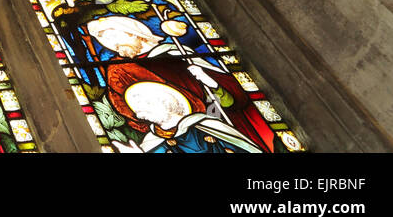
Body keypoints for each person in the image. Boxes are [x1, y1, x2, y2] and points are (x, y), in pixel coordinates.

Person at [86, 15, 275, 151]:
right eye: (104, 41)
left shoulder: (177, 52)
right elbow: (125, 108)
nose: (111, 45)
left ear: (134, 33)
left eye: (113, 37)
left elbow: (234, 98)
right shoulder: (119, 70)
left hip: (215, 122)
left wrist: (209, 80)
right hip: (168, 135)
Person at [106, 65, 263, 153]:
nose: (139, 115)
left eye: (144, 106)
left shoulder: (209, 126)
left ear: (164, 101)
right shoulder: (151, 143)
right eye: (137, 110)